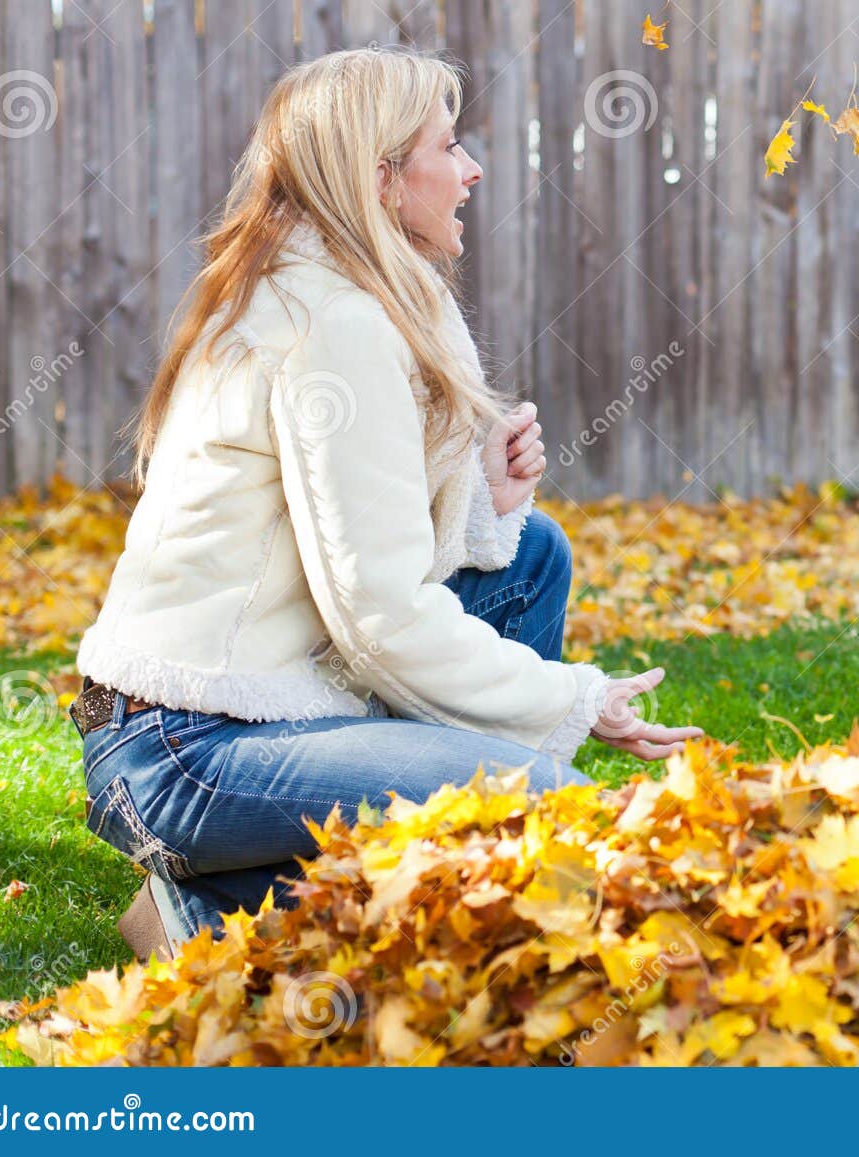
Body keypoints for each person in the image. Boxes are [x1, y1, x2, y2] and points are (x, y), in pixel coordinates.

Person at [72, 46, 703, 959]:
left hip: (240, 702)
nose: (472, 169)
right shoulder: (334, 322)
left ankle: (299, 880)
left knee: (529, 559)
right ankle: (220, 909)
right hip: (179, 752)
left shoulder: (348, 289)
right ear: (381, 178)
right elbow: (380, 615)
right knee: (531, 793)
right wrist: (576, 698)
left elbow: (344, 549)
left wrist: (480, 498)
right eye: (449, 146)